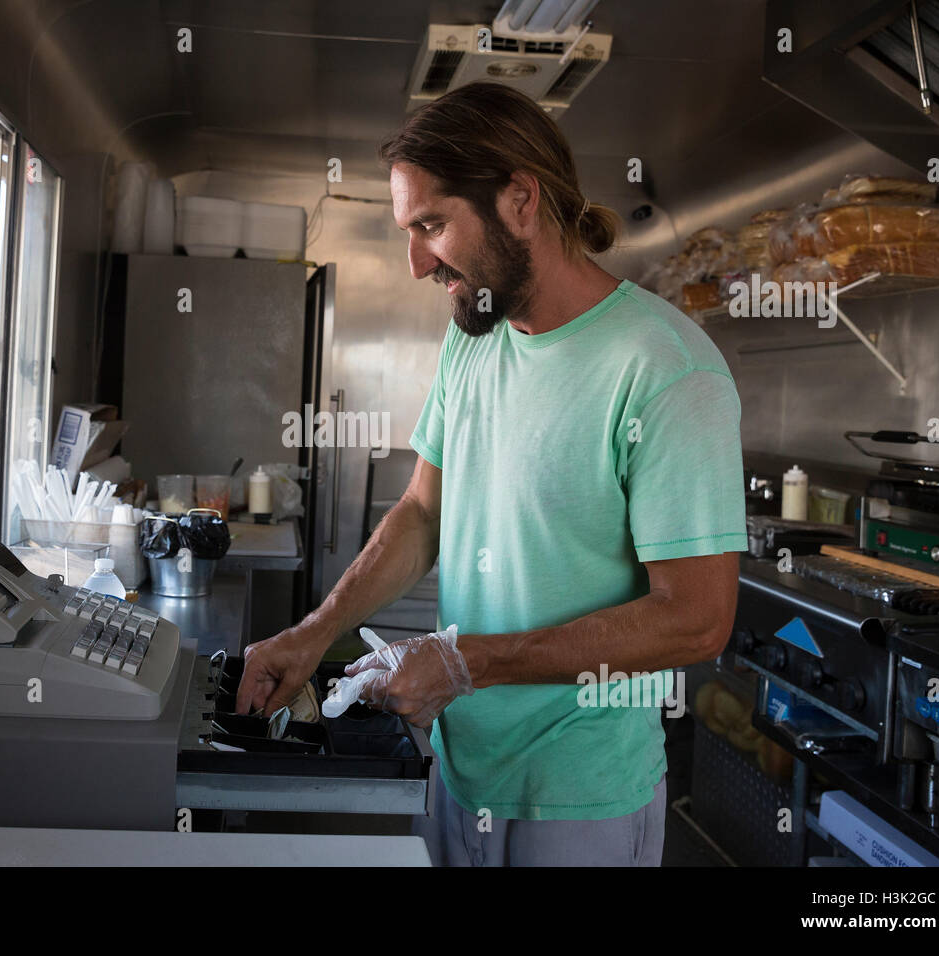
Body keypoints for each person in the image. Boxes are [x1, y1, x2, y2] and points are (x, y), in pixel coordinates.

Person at [236, 82, 747, 866]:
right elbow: (423, 513)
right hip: (456, 770)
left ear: (519, 200)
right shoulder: (475, 339)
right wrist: (316, 634)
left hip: (580, 803)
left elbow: (698, 617)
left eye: (432, 225)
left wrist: (467, 661)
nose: (415, 262)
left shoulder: (666, 370)